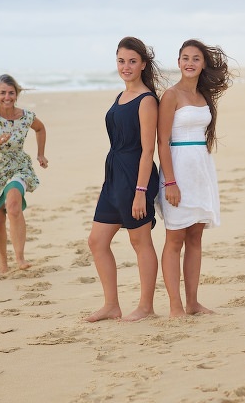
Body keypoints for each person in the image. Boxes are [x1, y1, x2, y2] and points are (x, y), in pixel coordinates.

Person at [85, 36, 162, 322]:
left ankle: (146, 307)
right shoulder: (121, 96)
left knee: (140, 241)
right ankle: (111, 305)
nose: (126, 66)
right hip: (114, 174)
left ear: (143, 64)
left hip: (135, 176)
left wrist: (141, 191)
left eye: (132, 61)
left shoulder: (146, 100)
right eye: (121, 61)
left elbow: (148, 149)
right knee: (97, 240)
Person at [157, 39, 232, 317]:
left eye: (196, 58)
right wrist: (170, 182)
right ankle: (175, 306)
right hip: (178, 168)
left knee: (196, 238)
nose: (190, 62)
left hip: (201, 169)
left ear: (203, 64)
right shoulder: (171, 96)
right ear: (178, 62)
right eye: (185, 58)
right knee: (175, 239)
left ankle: (192, 303)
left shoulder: (203, 97)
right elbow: (162, 141)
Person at [0, 74, 48, 274]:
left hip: (18, 167)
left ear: (17, 94)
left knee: (14, 205)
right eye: (3, 93)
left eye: (11, 93)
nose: (7, 97)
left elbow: (40, 129)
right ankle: (3, 259)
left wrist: (40, 154)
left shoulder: (26, 117)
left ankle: (20, 257)